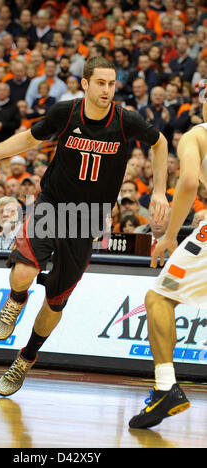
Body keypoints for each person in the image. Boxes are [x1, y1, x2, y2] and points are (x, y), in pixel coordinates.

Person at [0, 56, 169, 397]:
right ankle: (16, 300)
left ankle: (25, 358)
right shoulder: (66, 113)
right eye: (101, 83)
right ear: (85, 84)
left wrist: (160, 191)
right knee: (22, 272)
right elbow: (29, 139)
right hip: (53, 206)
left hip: (88, 220)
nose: (107, 90)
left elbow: (160, 143)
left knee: (55, 302)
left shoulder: (126, 120)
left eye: (112, 84)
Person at [129, 101, 207, 430]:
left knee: (159, 297)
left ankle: (166, 388)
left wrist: (170, 235)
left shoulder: (196, 136)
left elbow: (188, 182)